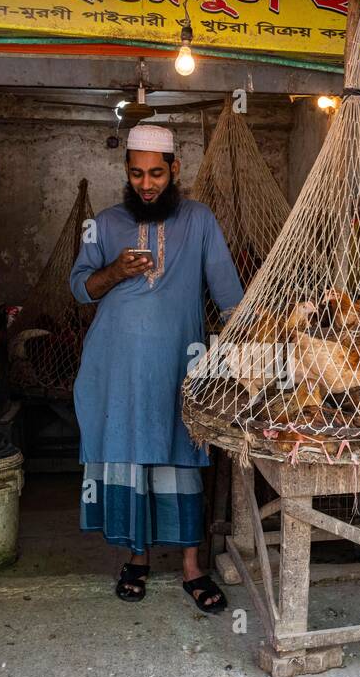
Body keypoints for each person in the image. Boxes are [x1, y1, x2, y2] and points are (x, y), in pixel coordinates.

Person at [70, 124, 244, 613]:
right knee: (127, 453)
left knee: (181, 458)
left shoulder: (200, 220)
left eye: (156, 173)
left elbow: (229, 295)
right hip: (115, 366)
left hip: (177, 367)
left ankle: (193, 568)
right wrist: (115, 271)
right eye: (136, 173)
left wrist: (246, 349)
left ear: (175, 170)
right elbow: (80, 288)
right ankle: (137, 559)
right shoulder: (101, 224)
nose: (146, 184)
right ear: (126, 173)